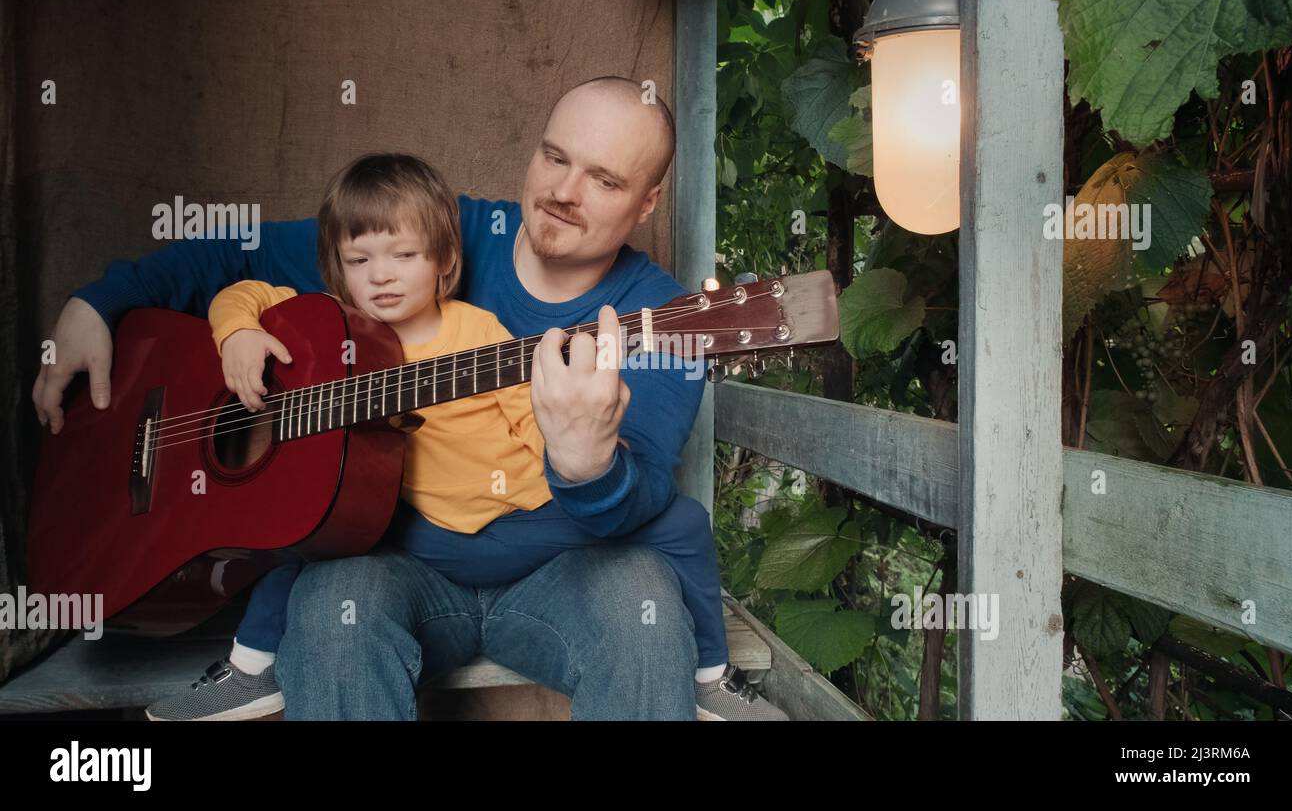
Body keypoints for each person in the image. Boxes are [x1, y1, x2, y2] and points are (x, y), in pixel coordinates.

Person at [34, 77, 786, 720]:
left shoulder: (668, 320)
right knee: (330, 601)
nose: (562, 192)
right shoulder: (429, 234)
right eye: (555, 157)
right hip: (393, 566)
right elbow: (235, 255)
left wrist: (588, 465)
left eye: (605, 179)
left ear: (649, 202)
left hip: (568, 578)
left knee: (642, 600)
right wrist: (100, 302)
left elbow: (644, 498)